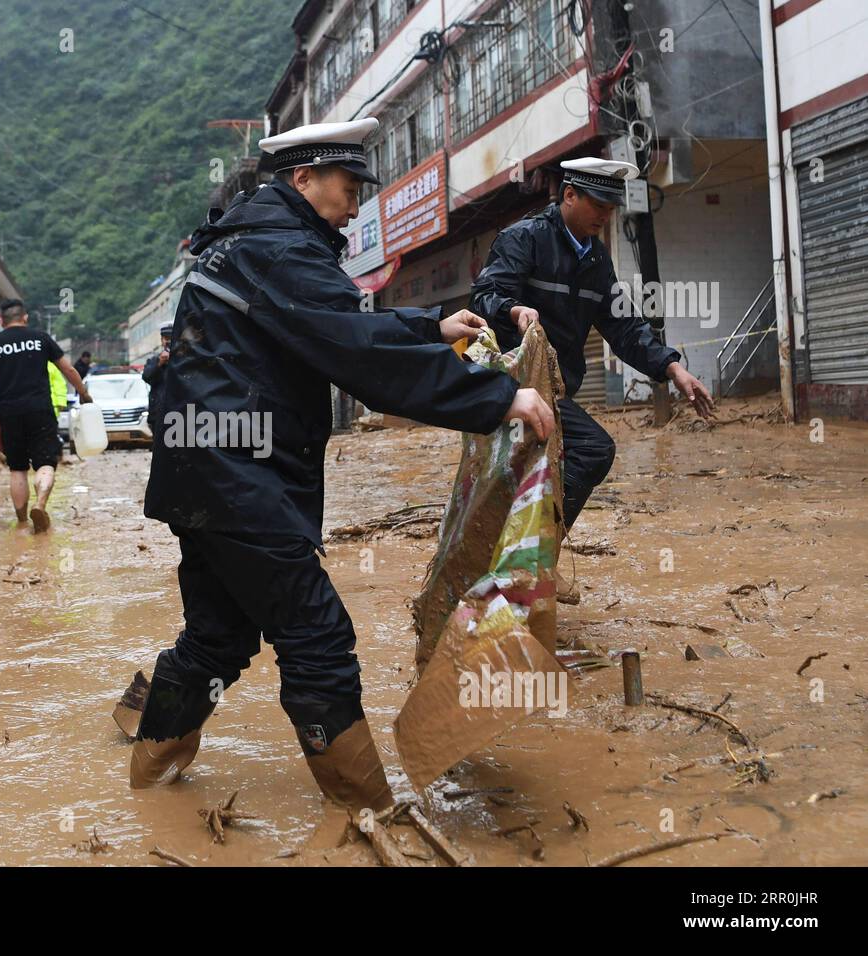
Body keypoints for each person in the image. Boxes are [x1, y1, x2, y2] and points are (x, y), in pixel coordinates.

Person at [129, 117, 555, 813]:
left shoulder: (255, 239)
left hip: (202, 470)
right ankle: (365, 809)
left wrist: (427, 326)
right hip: (236, 473)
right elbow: (356, 353)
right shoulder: (280, 247)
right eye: (348, 186)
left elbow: (336, 325)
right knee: (316, 633)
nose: (356, 205)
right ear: (303, 179)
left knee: (219, 637)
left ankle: (149, 773)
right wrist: (500, 394)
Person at [470, 157, 713, 534]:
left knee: (537, 474)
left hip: (556, 391)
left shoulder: (597, 259)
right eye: (598, 205)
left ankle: (523, 565)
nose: (604, 216)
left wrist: (673, 368)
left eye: (610, 208)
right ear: (569, 194)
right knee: (594, 449)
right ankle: (533, 555)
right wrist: (513, 309)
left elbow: (624, 328)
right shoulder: (525, 238)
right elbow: (484, 297)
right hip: (510, 385)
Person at [0, 299, 92, 533]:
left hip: (10, 412)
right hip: (40, 409)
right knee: (46, 463)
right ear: (25, 318)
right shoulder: (41, 338)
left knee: (17, 468)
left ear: (2, 320)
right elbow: (68, 369)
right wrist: (83, 393)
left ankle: (21, 522)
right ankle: (40, 504)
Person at [140, 322, 171, 437]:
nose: (168, 342)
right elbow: (146, 377)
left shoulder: (182, 360)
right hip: (158, 412)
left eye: (171, 338)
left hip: (177, 411)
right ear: (162, 340)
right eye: (166, 338)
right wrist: (160, 363)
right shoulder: (153, 360)